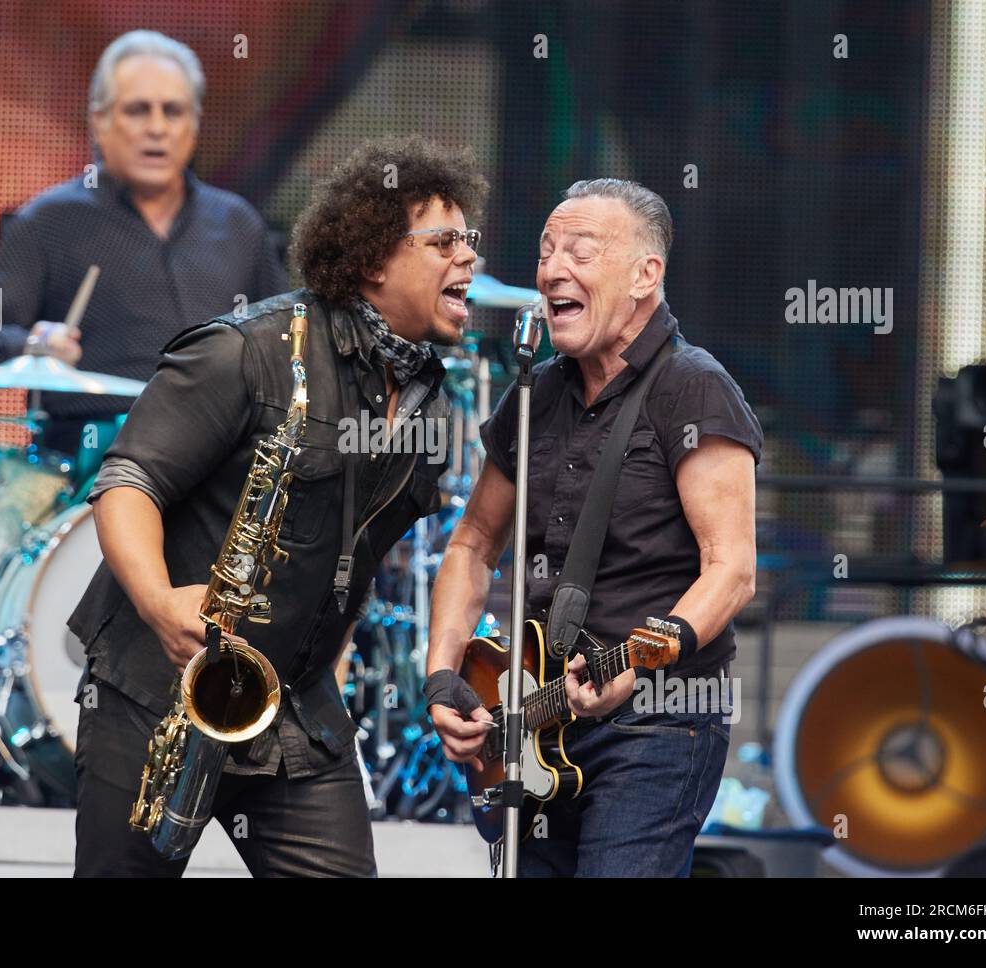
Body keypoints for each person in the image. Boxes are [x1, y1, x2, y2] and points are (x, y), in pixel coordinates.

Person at [68, 136, 489, 876]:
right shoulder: (248, 351)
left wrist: (338, 640)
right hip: (156, 692)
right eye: (445, 241)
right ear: (371, 257)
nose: (470, 259)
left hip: (292, 703)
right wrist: (162, 602)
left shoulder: (437, 414)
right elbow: (127, 482)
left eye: (471, 241)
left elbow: (359, 550)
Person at [426, 178, 763, 877]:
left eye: (579, 251)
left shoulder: (692, 388)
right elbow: (471, 544)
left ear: (647, 275)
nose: (550, 270)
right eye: (547, 251)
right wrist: (439, 677)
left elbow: (731, 569)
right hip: (540, 720)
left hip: (660, 721)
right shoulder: (537, 394)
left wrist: (644, 660)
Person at [0, 30, 287, 456]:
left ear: (194, 125)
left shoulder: (238, 223)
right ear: (101, 121)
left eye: (173, 111)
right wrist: (33, 343)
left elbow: (289, 342)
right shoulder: (46, 221)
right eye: (137, 110)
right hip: (96, 457)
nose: (156, 128)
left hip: (223, 453)